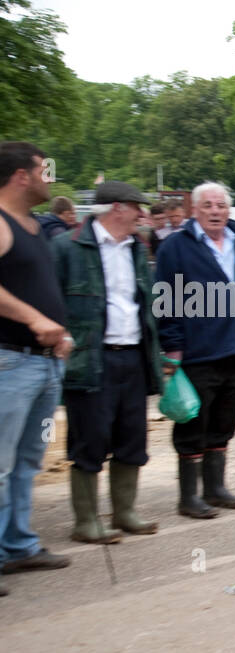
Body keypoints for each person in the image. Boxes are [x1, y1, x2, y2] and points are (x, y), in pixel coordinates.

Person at [51, 181, 164, 543]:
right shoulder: (67, 247)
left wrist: (156, 353)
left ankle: (124, 512)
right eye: (137, 207)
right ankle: (86, 521)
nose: (142, 215)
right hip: (91, 358)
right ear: (117, 208)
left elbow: (141, 305)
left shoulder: (135, 248)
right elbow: (50, 299)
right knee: (90, 439)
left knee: (132, 437)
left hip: (132, 355)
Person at [155, 182, 235, 519]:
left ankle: (215, 488)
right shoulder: (176, 247)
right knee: (192, 422)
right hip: (197, 351)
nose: (215, 211)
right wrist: (172, 345)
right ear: (195, 210)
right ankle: (189, 497)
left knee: (224, 422)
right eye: (208, 206)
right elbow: (165, 298)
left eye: (220, 205)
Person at [0, 141, 73, 591]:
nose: (50, 178)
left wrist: (59, 333)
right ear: (21, 176)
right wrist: (33, 319)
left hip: (44, 366)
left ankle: (19, 547)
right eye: (43, 170)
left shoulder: (33, 226)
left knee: (28, 461)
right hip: (11, 364)